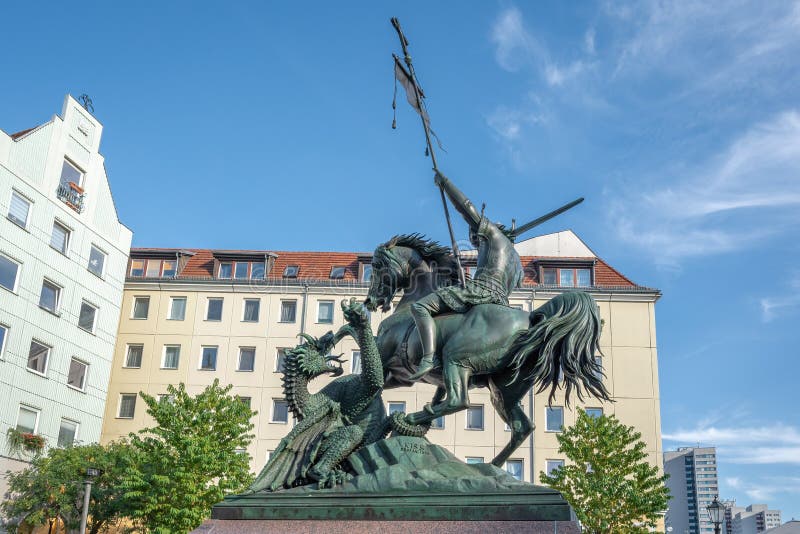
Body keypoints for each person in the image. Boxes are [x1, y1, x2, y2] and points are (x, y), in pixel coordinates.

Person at [409, 171, 524, 380]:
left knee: (420, 306)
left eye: (475, 236)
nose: (474, 239)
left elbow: (466, 207)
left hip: (479, 290)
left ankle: (428, 357)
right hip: (501, 303)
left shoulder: (492, 233)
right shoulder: (517, 263)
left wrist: (445, 183)